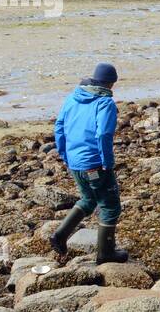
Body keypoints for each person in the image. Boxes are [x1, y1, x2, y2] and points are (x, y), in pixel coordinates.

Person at [49, 62, 128, 263]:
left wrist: (65, 155)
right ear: (111, 83)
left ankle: (60, 234)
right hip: (94, 164)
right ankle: (106, 253)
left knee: (88, 199)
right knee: (110, 206)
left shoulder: (73, 98)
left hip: (75, 162)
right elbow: (103, 134)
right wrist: (107, 162)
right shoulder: (105, 103)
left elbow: (59, 128)